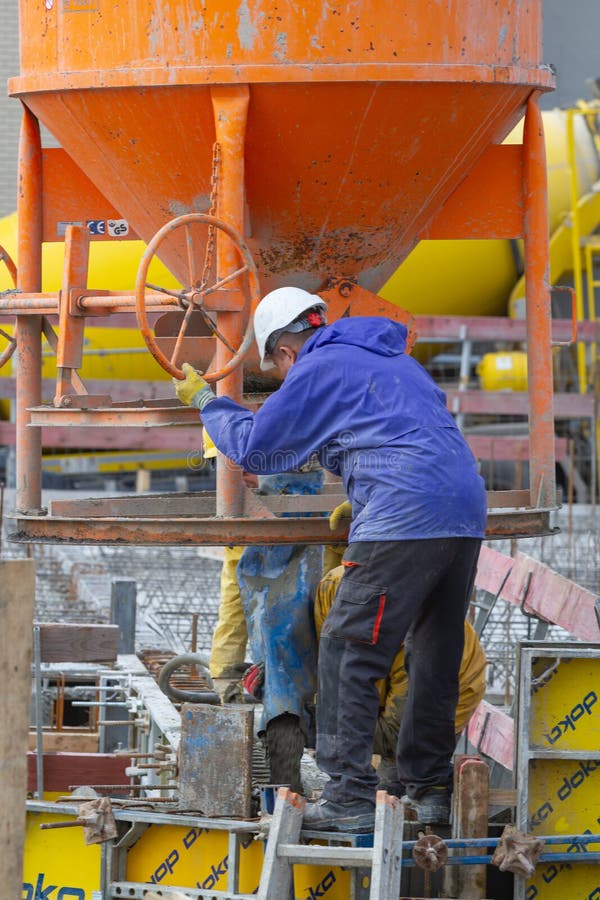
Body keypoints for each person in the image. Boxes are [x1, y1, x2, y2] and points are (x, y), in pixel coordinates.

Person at [173, 285, 487, 831]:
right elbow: (402, 436)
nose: (284, 377)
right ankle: (429, 790)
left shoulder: (317, 366)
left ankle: (348, 796)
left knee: (347, 650)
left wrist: (207, 402)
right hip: (462, 512)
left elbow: (256, 449)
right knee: (435, 650)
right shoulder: (396, 362)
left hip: (403, 514)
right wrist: (363, 497)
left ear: (285, 351)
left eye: (278, 369)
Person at [314, 563, 487, 795]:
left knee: (401, 777)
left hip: (449, 685)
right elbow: (329, 669)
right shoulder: (331, 590)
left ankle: (428, 793)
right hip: (388, 664)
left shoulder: (412, 641)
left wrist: (314, 724)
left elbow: (395, 734)